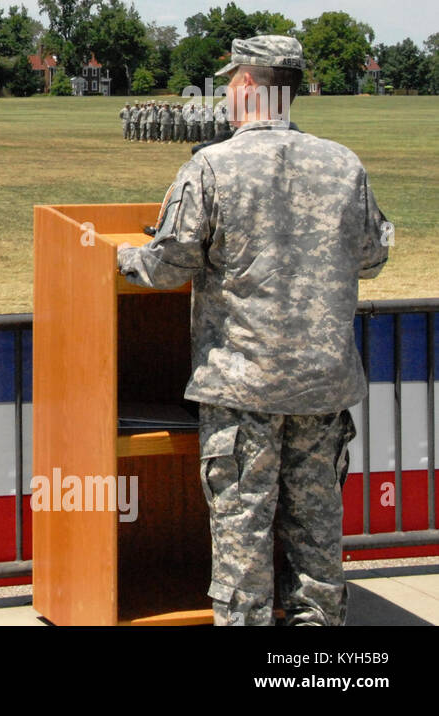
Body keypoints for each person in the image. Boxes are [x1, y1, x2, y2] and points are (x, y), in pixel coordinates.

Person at [116, 35, 391, 626]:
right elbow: (372, 254)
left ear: (245, 85)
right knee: (317, 542)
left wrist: (119, 255)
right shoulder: (345, 164)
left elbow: (167, 266)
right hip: (322, 388)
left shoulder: (212, 166)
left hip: (244, 390)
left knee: (242, 542)